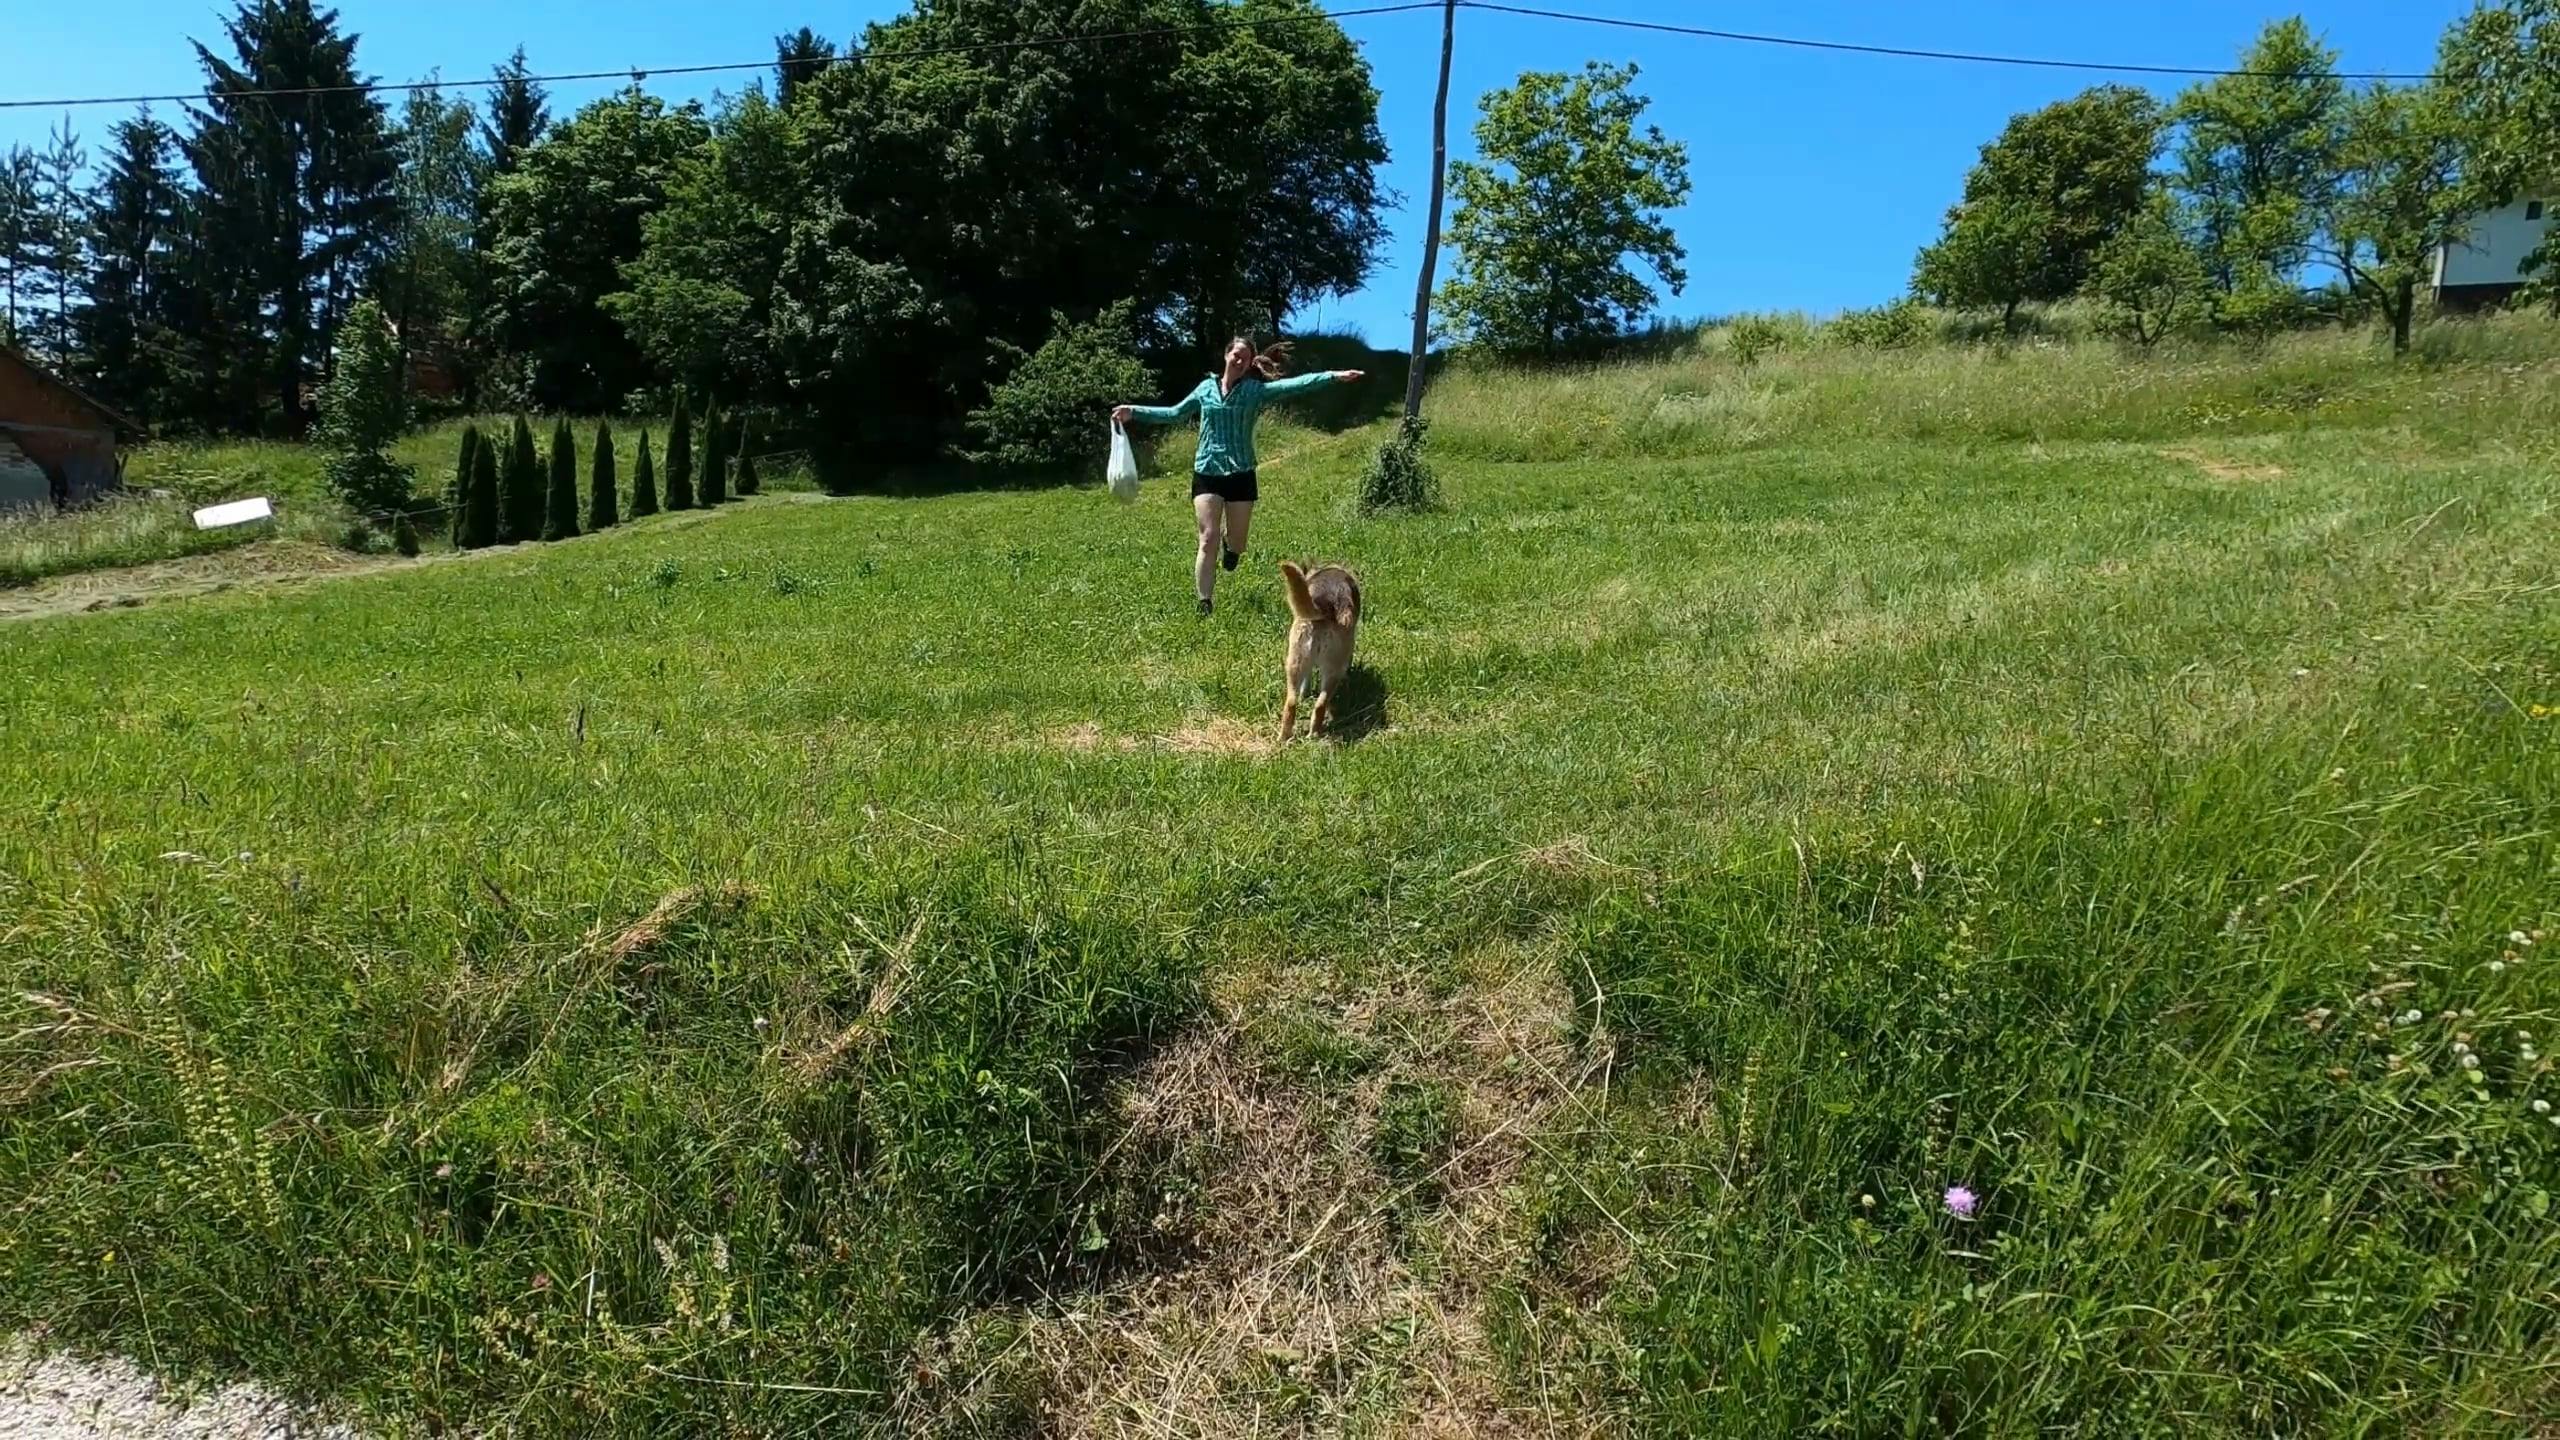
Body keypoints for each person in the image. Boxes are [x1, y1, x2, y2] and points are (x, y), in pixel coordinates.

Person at [1114, 338, 1363, 615]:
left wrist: (1333, 376)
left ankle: (1231, 549)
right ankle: (1204, 602)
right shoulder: (1206, 388)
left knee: (1238, 543)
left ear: (1249, 363)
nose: (1240, 360)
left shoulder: (1254, 391)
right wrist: (1134, 411)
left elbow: (1294, 385)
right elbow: (1174, 413)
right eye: (1236, 354)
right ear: (1226, 354)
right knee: (1208, 538)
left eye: (1245, 357)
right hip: (1207, 471)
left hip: (1241, 474)